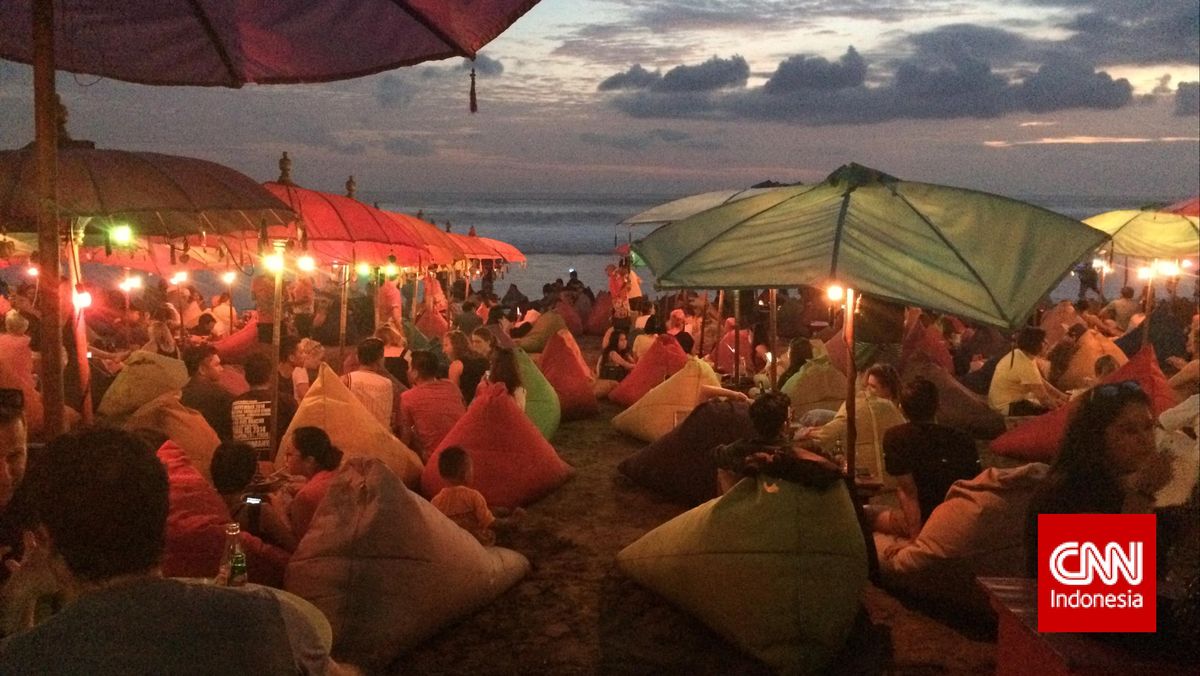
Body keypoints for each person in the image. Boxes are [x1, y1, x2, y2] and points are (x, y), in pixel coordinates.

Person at [0, 427, 339, 673]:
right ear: (162, 515)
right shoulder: (274, 622)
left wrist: (18, 600)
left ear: (46, 539)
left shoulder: (22, 659)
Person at [1024, 381, 1174, 576]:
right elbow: (1102, 585)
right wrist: (1142, 496)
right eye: (1129, 430)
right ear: (1095, 437)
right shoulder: (1065, 494)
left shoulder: (1127, 484)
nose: (1145, 440)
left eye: (1148, 427)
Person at [873, 377, 981, 538]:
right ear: (937, 406)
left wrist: (917, 541)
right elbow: (976, 484)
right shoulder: (963, 437)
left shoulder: (896, 437)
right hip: (963, 518)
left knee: (867, 513)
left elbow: (909, 492)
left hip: (928, 521)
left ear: (902, 409)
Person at [210, 441, 297, 553]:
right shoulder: (261, 511)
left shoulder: (206, 504)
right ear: (250, 475)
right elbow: (295, 549)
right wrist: (280, 509)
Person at [399, 351, 467, 461]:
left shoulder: (408, 397)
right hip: (464, 453)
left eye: (409, 368)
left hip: (436, 459)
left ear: (415, 373)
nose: (407, 371)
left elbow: (406, 435)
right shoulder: (451, 386)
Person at [988, 326, 1068, 415]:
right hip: (1005, 407)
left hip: (999, 402)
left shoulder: (1022, 354)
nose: (1047, 343)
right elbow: (1044, 399)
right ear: (1035, 344)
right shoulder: (1025, 365)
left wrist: (1061, 396)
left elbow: (1040, 380)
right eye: (1043, 341)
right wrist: (1062, 410)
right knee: (1046, 412)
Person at [230, 352, 295, 461]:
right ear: (271, 375)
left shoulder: (234, 403)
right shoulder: (286, 401)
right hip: (277, 464)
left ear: (245, 376)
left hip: (244, 464)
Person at [284, 426, 343, 541]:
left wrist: (277, 509)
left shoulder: (306, 496)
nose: (285, 459)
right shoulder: (335, 474)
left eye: (289, 454)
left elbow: (300, 547)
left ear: (309, 461)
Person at [430, 446, 497, 546]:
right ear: (465, 474)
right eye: (471, 468)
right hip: (475, 542)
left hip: (450, 543)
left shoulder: (435, 501)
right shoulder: (474, 496)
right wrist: (510, 522)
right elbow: (489, 522)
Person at [342, 338, 400, 432]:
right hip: (380, 436)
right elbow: (394, 418)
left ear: (357, 358)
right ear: (381, 359)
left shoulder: (344, 380)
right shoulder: (390, 386)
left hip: (353, 434)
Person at [180, 345, 234, 440]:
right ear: (202, 369)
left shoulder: (180, 394)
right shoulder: (221, 395)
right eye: (217, 365)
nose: (221, 369)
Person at [444, 330, 489, 405]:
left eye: (446, 345)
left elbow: (454, 395)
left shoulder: (456, 365)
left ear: (456, 345)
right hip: (485, 402)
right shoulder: (483, 360)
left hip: (468, 406)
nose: (443, 350)